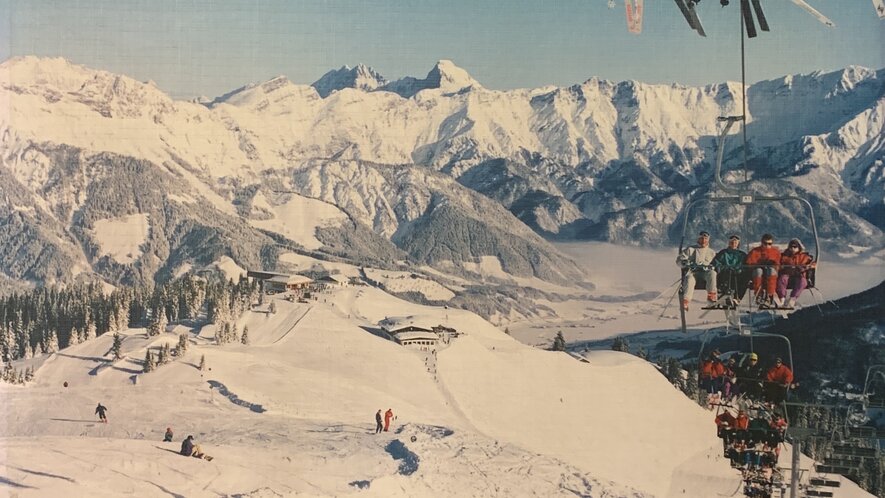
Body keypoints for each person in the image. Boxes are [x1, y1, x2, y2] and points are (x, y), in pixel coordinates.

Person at [676, 231, 718, 310]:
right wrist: (684, 262)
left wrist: (713, 266)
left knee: (712, 273)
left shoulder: (711, 252)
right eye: (702, 238)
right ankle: (685, 301)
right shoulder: (690, 249)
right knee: (689, 279)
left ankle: (711, 296)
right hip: (693, 273)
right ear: (698, 239)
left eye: (705, 239)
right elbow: (679, 259)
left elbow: (716, 263)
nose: (703, 241)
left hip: (705, 273)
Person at [744, 234, 781, 308]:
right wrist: (758, 264)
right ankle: (759, 295)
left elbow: (778, 264)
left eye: (769, 244)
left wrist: (773, 264)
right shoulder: (755, 251)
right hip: (758, 271)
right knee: (758, 271)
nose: (767, 245)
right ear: (762, 243)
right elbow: (749, 262)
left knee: (771, 270)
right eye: (765, 243)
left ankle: (770, 295)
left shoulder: (775, 252)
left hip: (770, 272)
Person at [776, 238, 814, 308]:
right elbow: (777, 263)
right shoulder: (784, 256)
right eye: (791, 247)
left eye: (795, 247)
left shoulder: (804, 256)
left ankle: (792, 299)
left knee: (803, 282)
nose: (792, 249)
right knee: (782, 279)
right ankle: (782, 298)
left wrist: (809, 266)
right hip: (787, 275)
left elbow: (812, 263)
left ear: (799, 247)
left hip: (798, 276)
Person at [712, 234, 748, 302]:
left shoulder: (742, 254)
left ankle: (737, 298)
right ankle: (724, 294)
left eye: (735, 242)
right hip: (725, 272)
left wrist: (740, 270)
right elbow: (717, 262)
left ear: (738, 244)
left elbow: (745, 265)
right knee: (727, 275)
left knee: (744, 279)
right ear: (729, 243)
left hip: (738, 274)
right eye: (732, 242)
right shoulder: (723, 253)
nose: (733, 244)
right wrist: (723, 268)